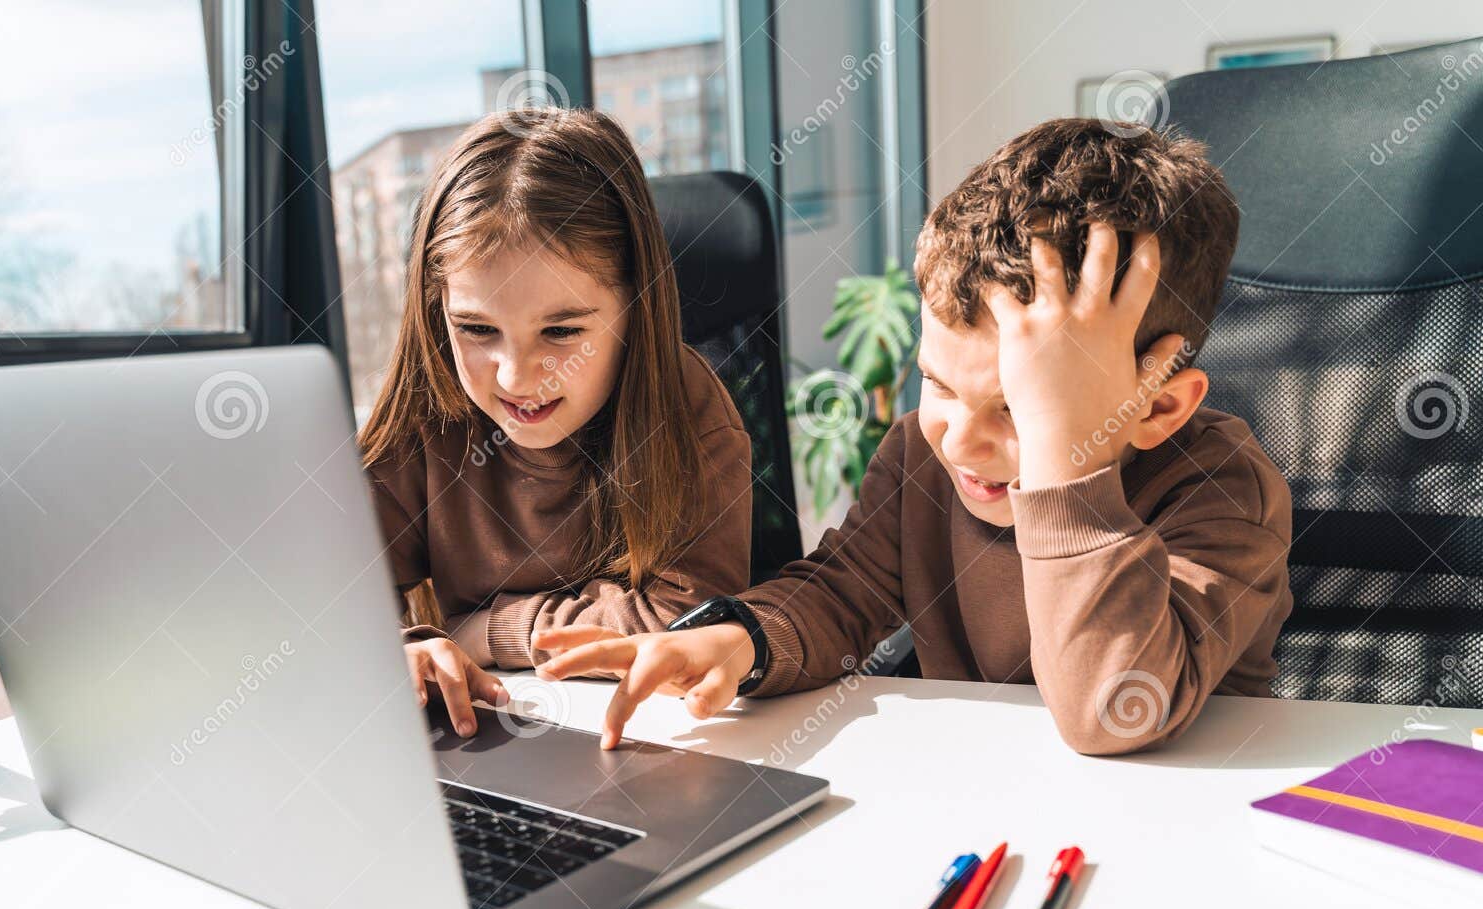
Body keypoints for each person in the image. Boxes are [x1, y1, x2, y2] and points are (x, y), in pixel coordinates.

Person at [536, 118, 1294, 756]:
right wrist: (743, 639)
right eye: (936, 382)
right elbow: (842, 590)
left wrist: (1069, 471)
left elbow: (1110, 710)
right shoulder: (921, 459)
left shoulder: (1225, 489)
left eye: (1019, 409)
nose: (960, 441)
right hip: (978, 800)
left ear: (1158, 410)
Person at [360, 107, 753, 735]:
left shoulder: (690, 411)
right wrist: (400, 651)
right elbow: (329, 614)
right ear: (439, 311)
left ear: (635, 305)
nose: (517, 378)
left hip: (662, 735)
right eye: (477, 329)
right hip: (480, 733)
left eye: (563, 331)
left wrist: (488, 630)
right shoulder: (426, 406)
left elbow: (686, 623)